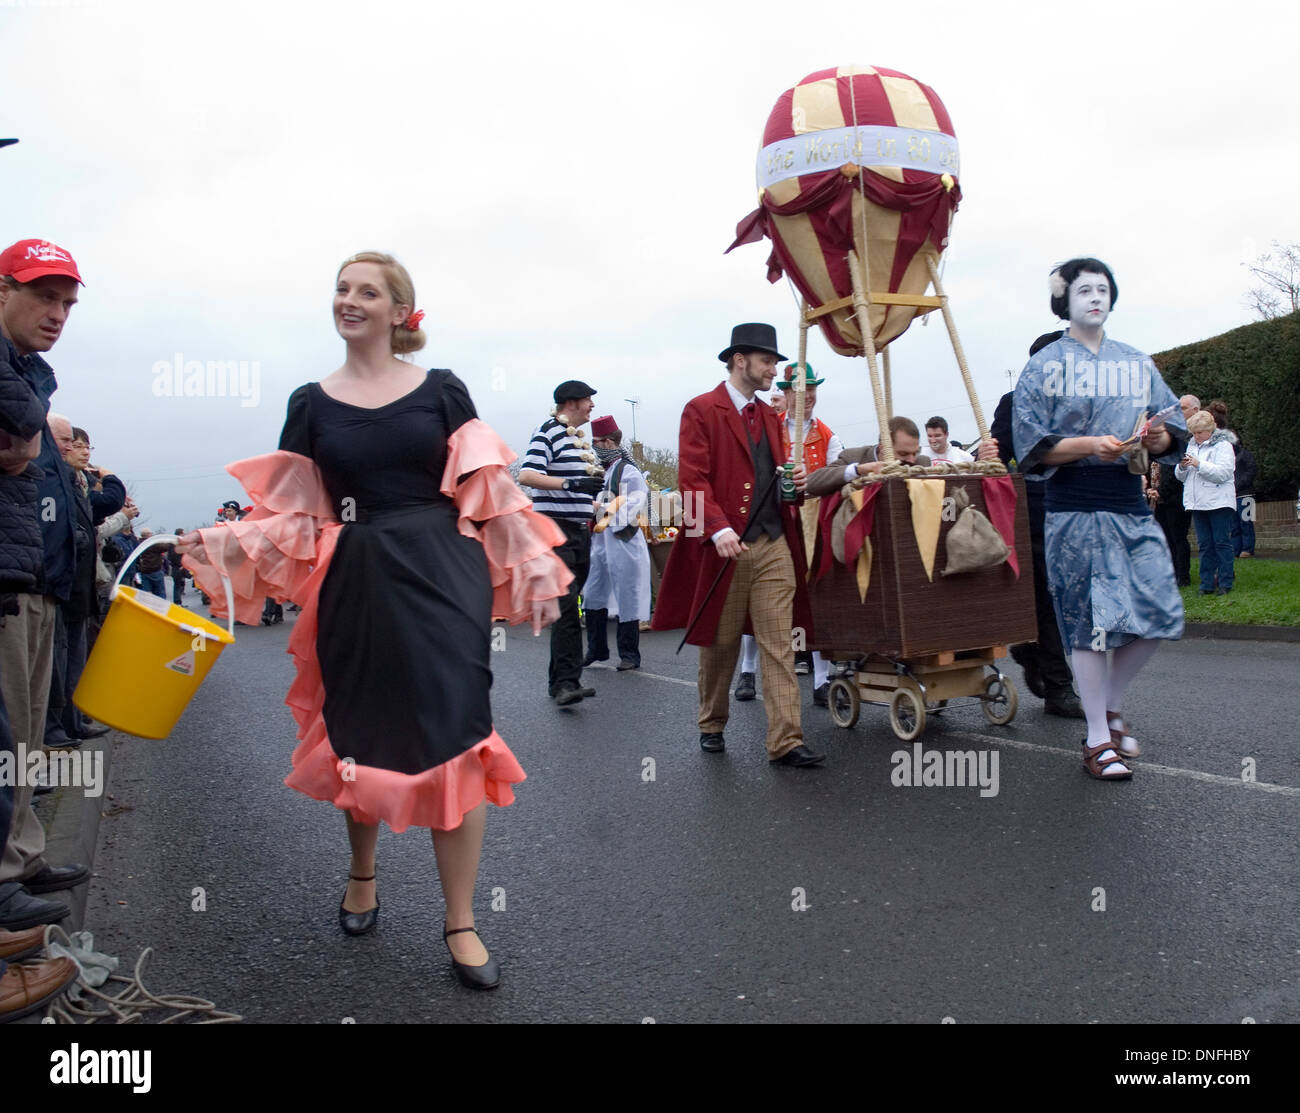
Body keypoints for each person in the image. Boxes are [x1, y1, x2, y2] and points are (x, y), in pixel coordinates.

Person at [178, 251, 568, 990]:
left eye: (368, 291)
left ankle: (460, 919)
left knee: (459, 730)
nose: (349, 300)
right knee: (358, 727)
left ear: (400, 312)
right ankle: (363, 873)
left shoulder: (442, 390)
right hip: (356, 576)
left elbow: (489, 487)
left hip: (442, 575)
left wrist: (536, 566)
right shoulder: (310, 402)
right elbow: (291, 515)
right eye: (341, 288)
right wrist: (221, 541)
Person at [1013, 257, 1186, 781]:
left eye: (1103, 288)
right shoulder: (1044, 364)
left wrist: (1159, 438)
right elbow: (1032, 443)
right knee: (1088, 625)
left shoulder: (1137, 361)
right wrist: (1090, 444)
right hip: (1072, 504)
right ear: (1063, 300)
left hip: (1128, 502)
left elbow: (1171, 421)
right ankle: (1096, 739)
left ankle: (1108, 706)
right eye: (1084, 289)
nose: (1096, 297)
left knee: (1161, 612)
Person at [651, 322, 823, 768]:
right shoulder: (701, 409)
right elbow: (691, 480)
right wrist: (716, 527)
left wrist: (796, 484)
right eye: (768, 362)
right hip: (726, 546)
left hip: (772, 543)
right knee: (722, 642)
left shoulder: (770, 415)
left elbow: (776, 477)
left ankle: (786, 739)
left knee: (779, 641)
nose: (774, 371)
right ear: (740, 361)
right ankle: (711, 721)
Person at [0, 239, 95, 923]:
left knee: (28, 733)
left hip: (35, 575)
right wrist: (29, 427)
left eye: (66, 302)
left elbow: (25, 436)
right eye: (42, 295)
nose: (57, 313)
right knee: (5, 738)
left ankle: (23, 856)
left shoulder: (30, 368)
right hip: (7, 576)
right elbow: (25, 428)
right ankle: (4, 874)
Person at [991, 332, 1084, 719]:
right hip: (1036, 513)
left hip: (1080, 512)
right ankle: (1061, 690)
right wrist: (990, 453)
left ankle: (1031, 651)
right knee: (1049, 599)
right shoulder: (1014, 405)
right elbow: (999, 453)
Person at [519, 381, 604, 705]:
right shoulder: (549, 431)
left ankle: (563, 681)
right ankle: (566, 683)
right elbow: (527, 475)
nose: (592, 406)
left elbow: (580, 491)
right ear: (570, 403)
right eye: (588, 400)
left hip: (579, 531)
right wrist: (571, 482)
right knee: (567, 604)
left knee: (569, 604)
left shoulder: (579, 441)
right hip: (554, 530)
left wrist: (599, 502)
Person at [775, 362, 843, 706]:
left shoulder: (827, 434)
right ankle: (746, 669)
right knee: (771, 598)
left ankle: (821, 680)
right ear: (786, 394)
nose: (809, 397)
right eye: (803, 390)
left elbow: (835, 471)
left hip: (814, 523)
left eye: (813, 389)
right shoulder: (770, 429)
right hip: (777, 523)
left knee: (815, 595)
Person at [582, 416, 651, 670]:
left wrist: (600, 510)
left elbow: (634, 504)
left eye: (598, 442)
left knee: (627, 593)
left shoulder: (628, 471)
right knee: (593, 592)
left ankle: (629, 654)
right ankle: (596, 648)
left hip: (623, 539)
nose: (595, 446)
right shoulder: (600, 470)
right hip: (599, 541)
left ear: (610, 442)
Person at [1176, 410, 1237, 595]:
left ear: (1210, 429)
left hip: (1219, 502)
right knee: (1204, 545)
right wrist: (1181, 467)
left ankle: (1225, 582)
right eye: (1194, 433)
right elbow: (1181, 478)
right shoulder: (1192, 445)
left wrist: (1198, 464)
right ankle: (1206, 584)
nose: (1197, 436)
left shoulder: (1223, 446)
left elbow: (1223, 473)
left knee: (1221, 543)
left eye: (1200, 432)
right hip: (1198, 502)